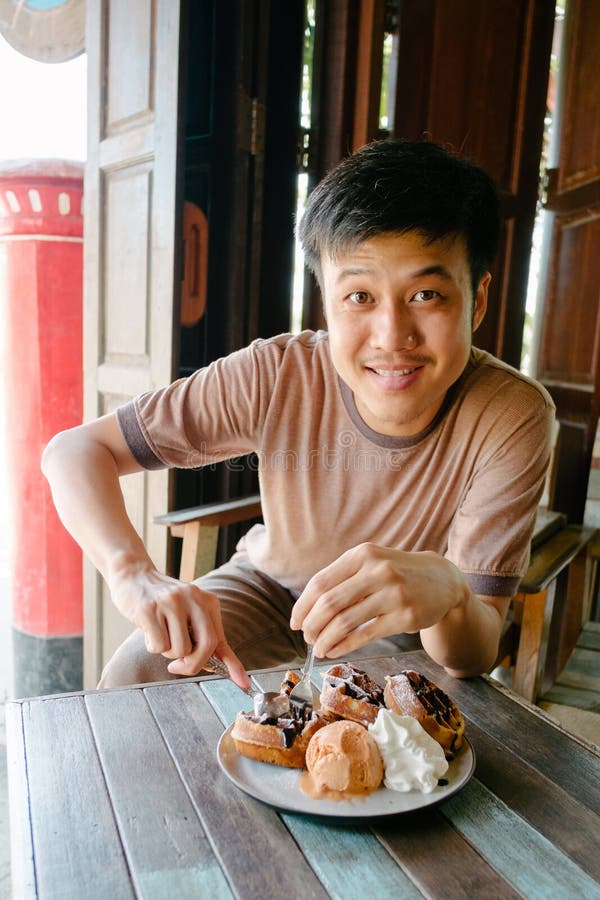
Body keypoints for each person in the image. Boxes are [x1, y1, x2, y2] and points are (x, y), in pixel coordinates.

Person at [41, 138, 554, 691]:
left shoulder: (512, 416)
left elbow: (472, 654)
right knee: (135, 676)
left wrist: (451, 594)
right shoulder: (277, 373)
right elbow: (72, 452)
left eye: (427, 294)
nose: (392, 337)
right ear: (326, 300)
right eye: (359, 297)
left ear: (477, 299)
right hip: (266, 591)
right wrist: (133, 574)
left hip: (402, 636)